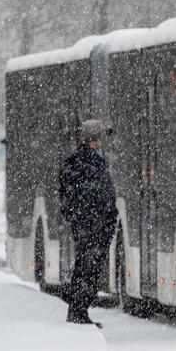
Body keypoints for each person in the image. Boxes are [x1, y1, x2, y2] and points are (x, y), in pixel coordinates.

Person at [58, 119, 117, 327]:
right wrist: (91, 217)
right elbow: (79, 194)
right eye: (96, 137)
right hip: (89, 224)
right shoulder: (82, 161)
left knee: (89, 266)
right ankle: (78, 310)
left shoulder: (87, 160)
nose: (98, 141)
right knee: (87, 266)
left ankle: (80, 309)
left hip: (93, 223)